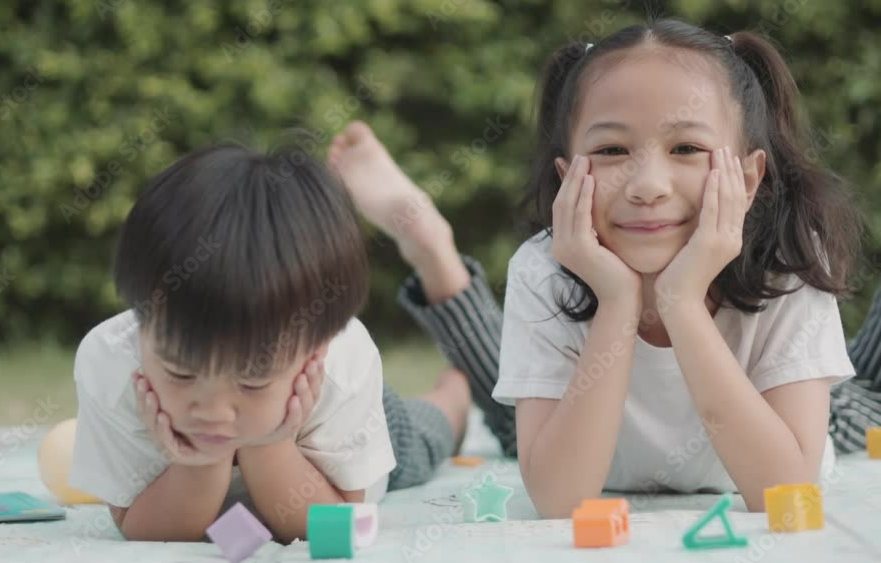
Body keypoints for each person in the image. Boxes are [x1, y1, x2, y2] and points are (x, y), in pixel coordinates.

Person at [328, 19, 881, 520]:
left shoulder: (787, 264)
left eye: (686, 147)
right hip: (580, 434)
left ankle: (433, 249)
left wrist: (682, 303)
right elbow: (559, 499)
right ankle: (433, 248)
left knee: (866, 400)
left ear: (749, 176)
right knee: (509, 406)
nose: (646, 186)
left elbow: (782, 489)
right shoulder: (547, 269)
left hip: (806, 414)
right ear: (567, 174)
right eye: (613, 150)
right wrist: (617, 301)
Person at [67, 144, 471, 542]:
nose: (212, 411)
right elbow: (138, 527)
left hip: (325, 441)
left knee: (422, 437)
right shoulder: (112, 365)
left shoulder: (343, 367)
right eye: (180, 372)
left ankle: (455, 392)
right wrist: (201, 464)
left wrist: (270, 441)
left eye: (252, 382)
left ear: (317, 349)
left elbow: (329, 522)